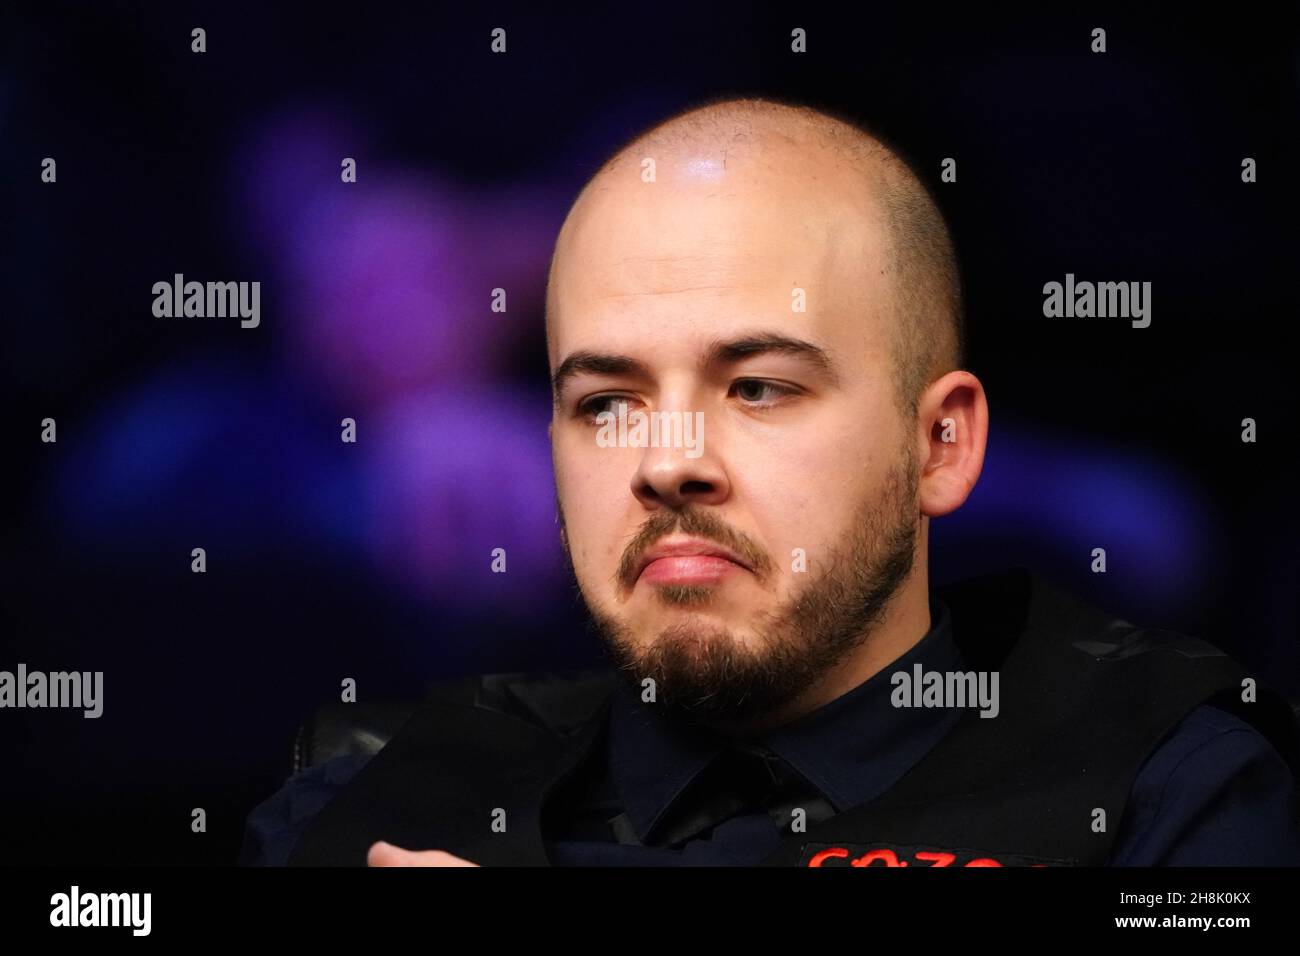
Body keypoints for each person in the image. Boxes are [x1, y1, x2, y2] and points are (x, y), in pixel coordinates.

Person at [241, 95, 1300, 867]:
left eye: (755, 389)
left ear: (941, 442)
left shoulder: (1168, 801)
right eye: (605, 403)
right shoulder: (366, 795)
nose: (669, 460)